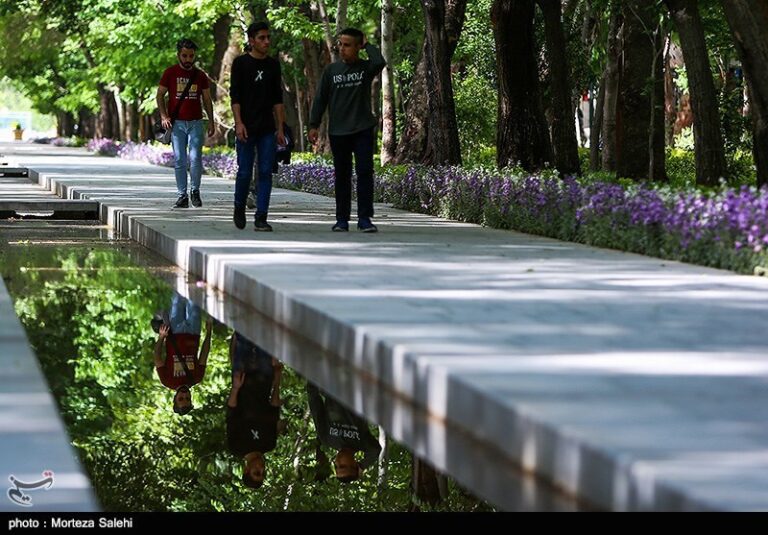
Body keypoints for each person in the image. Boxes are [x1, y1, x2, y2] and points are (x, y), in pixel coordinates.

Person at [308, 28, 386, 233]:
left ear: (358, 47)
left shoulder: (365, 68)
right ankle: (341, 219)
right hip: (338, 131)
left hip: (362, 129)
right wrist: (313, 125)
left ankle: (364, 219)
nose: (342, 49)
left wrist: (367, 44)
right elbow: (320, 99)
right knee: (342, 175)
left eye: (348, 45)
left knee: (364, 174)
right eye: (340, 44)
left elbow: (379, 61)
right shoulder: (331, 71)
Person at [230, 22, 286, 232]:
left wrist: (280, 128)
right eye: (262, 38)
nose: (266, 42)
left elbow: (277, 99)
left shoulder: (273, 65)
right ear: (251, 41)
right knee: (244, 171)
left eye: (268, 37)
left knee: (265, 171)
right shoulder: (241, 63)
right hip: (246, 126)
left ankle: (261, 216)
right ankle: (238, 206)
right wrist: (239, 123)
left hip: (267, 129)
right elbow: (235, 97)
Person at [157, 38, 215, 209]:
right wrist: (163, 116)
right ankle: (182, 196)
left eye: (191, 56)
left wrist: (211, 121)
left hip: (196, 122)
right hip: (177, 124)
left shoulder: (200, 75)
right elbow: (160, 95)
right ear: (178, 55)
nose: (188, 59)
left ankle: (195, 191)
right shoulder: (170, 73)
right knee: (180, 159)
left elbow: (206, 99)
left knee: (196, 158)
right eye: (184, 56)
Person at [226, 332, 283, 489]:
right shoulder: (269, 443)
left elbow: (231, 412)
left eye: (257, 472)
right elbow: (274, 408)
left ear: (246, 470)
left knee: (243, 334)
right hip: (265, 378)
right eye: (263, 473)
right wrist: (277, 381)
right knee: (266, 335)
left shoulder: (236, 446)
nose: (262, 469)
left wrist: (235, 388)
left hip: (242, 379)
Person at [306, 383, 381, 483]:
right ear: (354, 464)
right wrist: (362, 466)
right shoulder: (362, 443)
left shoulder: (327, 439)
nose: (337, 462)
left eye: (336, 466)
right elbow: (375, 450)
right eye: (343, 466)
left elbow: (315, 403)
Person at [153, 292, 212, 415]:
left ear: (175, 398)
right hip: (194, 333)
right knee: (194, 300)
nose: (184, 395)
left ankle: (181, 276)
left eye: (181, 398)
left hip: (174, 333)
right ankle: (195, 277)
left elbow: (157, 358)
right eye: (188, 398)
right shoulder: (197, 377)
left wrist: (161, 337)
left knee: (177, 298)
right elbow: (204, 355)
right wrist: (209, 333)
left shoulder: (167, 381)